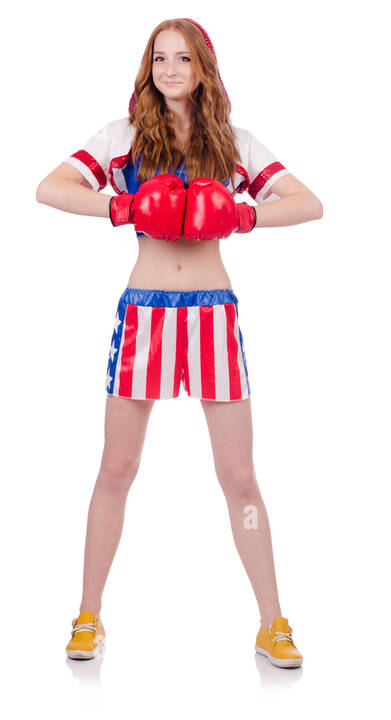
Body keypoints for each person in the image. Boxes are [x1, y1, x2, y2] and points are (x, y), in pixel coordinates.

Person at [36, 18, 323, 668]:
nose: (170, 70)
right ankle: (88, 614)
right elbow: (50, 188)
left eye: (182, 59)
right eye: (159, 59)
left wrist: (244, 214)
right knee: (116, 469)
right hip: (144, 314)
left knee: (240, 478)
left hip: (212, 315)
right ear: (149, 69)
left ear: (202, 69)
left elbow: (308, 203)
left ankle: (273, 622)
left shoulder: (234, 145)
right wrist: (124, 207)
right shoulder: (122, 137)